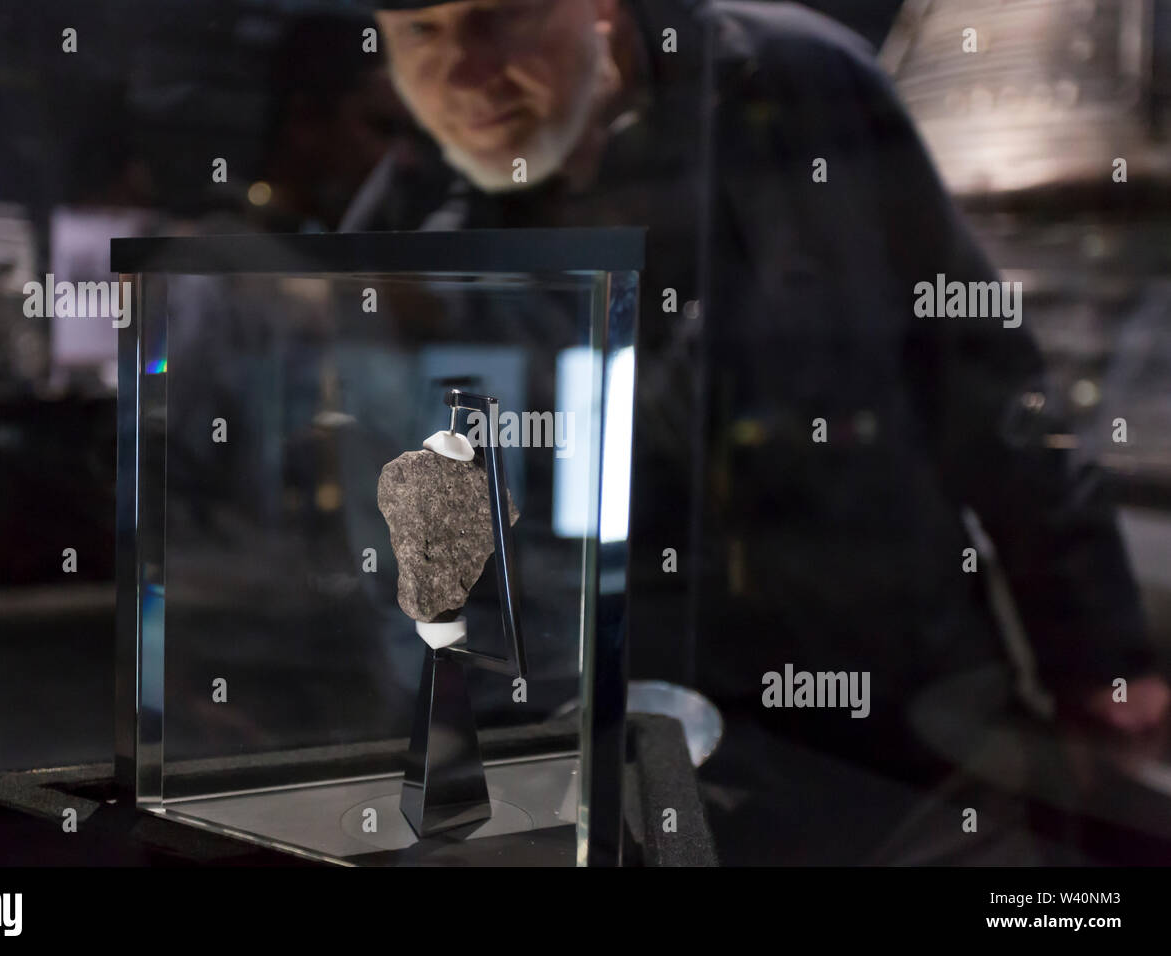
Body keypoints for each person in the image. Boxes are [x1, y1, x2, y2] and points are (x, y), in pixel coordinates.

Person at [341, 0, 1171, 860]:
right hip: (623, 782)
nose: (464, 76)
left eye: (499, 18)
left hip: (908, 742)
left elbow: (976, 367)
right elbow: (422, 576)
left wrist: (1092, 645)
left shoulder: (797, 83)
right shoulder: (396, 233)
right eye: (420, 32)